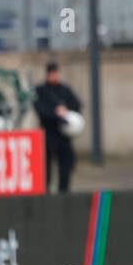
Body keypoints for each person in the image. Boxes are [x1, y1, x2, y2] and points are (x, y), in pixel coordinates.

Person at [34, 62, 81, 193]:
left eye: (56, 73)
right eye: (51, 73)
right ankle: (46, 190)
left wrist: (66, 111)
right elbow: (40, 110)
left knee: (66, 163)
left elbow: (77, 105)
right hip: (48, 132)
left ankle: (64, 191)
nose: (54, 76)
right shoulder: (41, 90)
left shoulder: (65, 90)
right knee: (46, 164)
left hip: (64, 134)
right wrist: (56, 114)